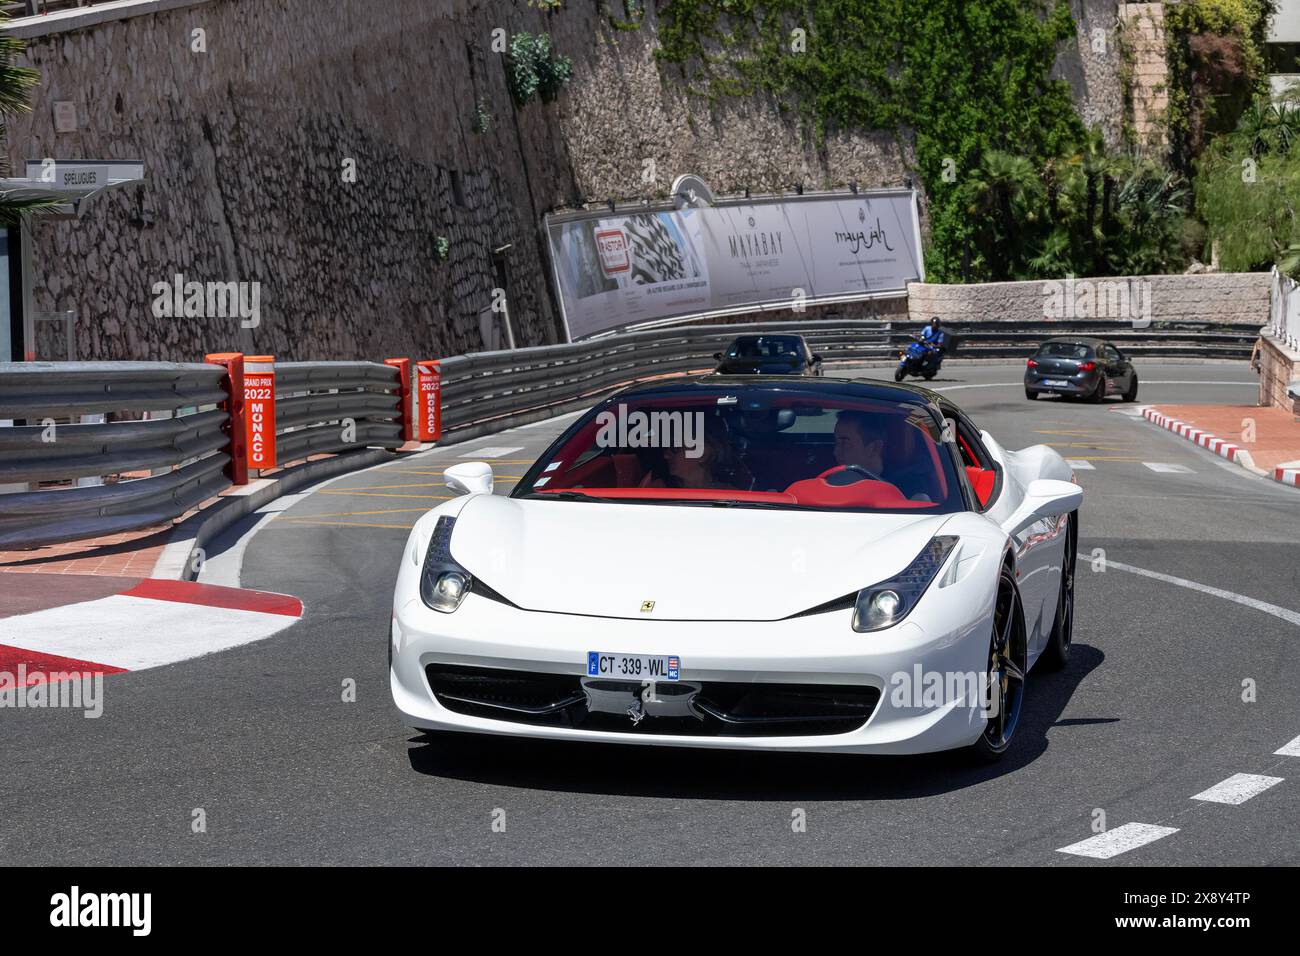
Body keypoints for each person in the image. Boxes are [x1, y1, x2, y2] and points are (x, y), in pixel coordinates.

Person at [832, 410, 934, 501]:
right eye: (836, 442)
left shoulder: (908, 492)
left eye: (845, 443)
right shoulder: (830, 481)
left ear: (875, 447)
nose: (835, 452)